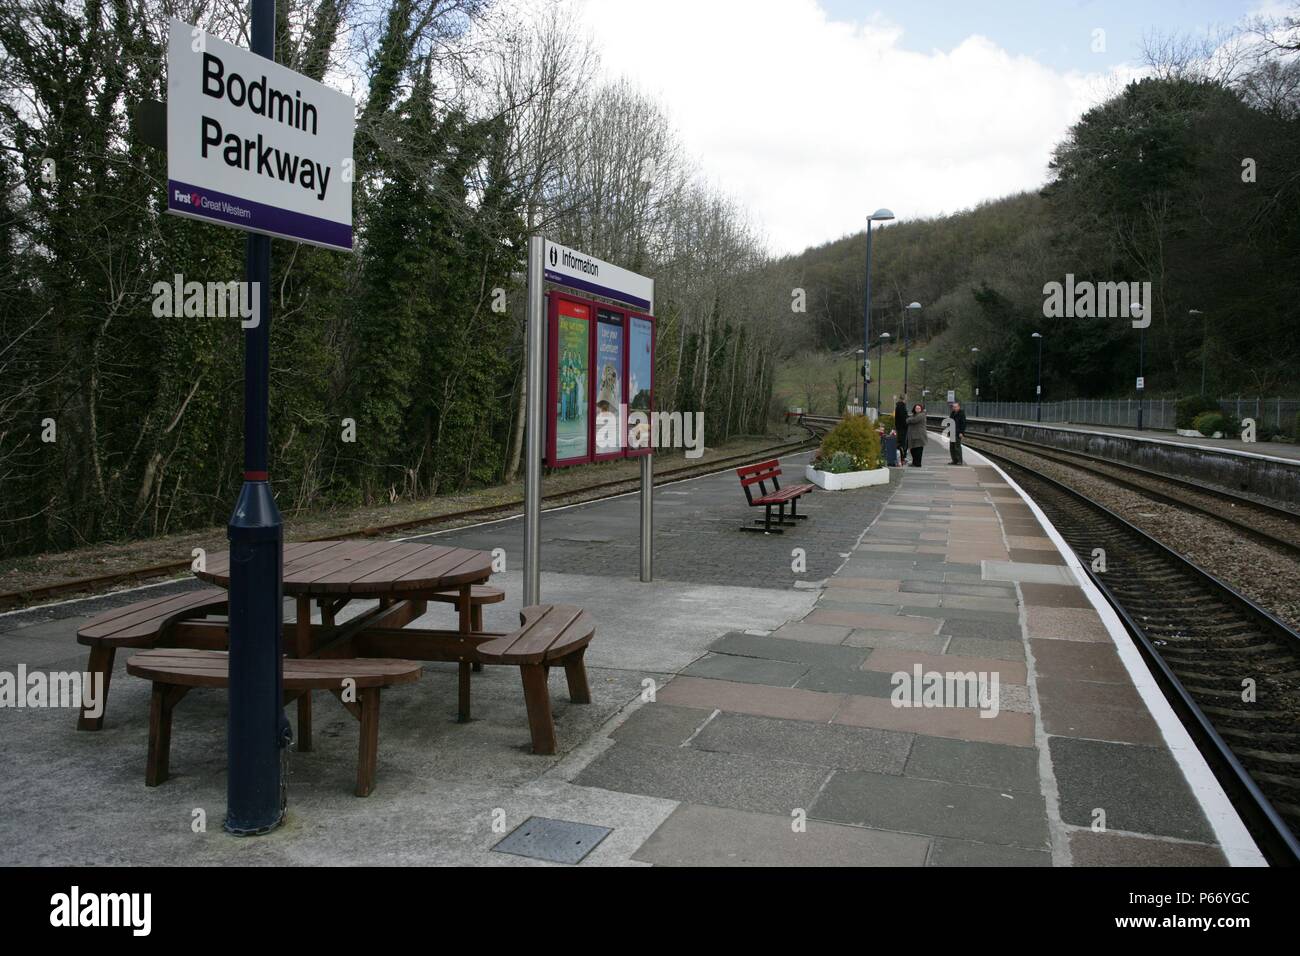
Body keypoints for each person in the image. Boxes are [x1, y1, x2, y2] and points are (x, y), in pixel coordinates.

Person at [893, 395, 909, 466]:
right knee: (902, 444)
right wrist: (907, 423)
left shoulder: (898, 406)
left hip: (899, 427)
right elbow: (903, 418)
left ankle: (901, 459)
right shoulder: (901, 406)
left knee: (900, 443)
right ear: (904, 399)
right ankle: (902, 459)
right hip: (902, 428)